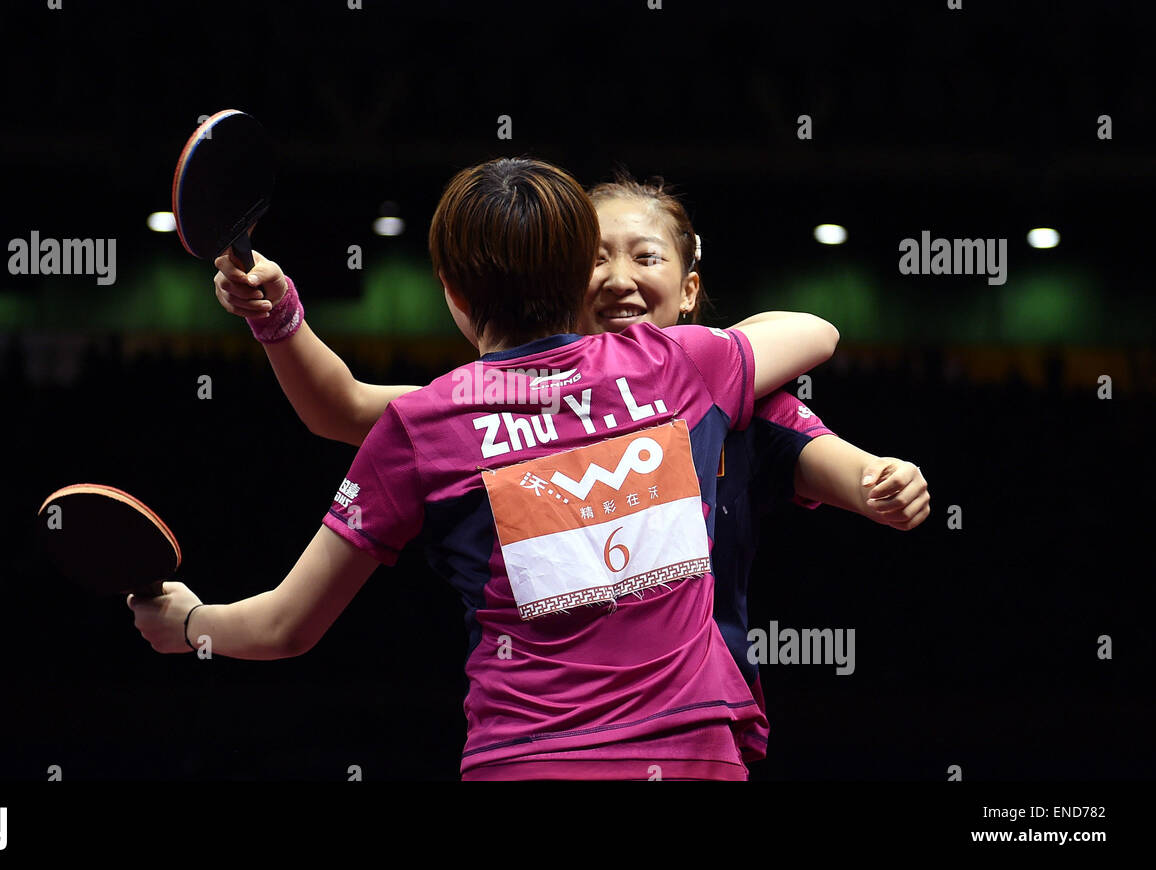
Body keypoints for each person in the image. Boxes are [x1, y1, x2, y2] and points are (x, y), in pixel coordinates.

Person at [131, 156, 841, 780]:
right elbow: (816, 331)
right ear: (578, 275)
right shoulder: (680, 364)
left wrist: (193, 623)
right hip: (695, 759)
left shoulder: (431, 425)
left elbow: (288, 625)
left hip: (527, 763)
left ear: (453, 292)